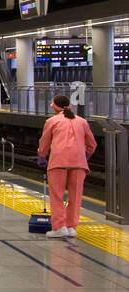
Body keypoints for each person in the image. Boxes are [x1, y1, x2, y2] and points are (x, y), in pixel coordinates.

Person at [38, 94, 97, 239]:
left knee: (57, 195)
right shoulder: (82, 121)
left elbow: (44, 144)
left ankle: (59, 227)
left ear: (54, 106)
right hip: (78, 163)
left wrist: (42, 156)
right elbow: (92, 145)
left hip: (58, 162)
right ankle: (71, 227)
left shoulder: (51, 121)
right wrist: (85, 156)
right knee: (75, 197)